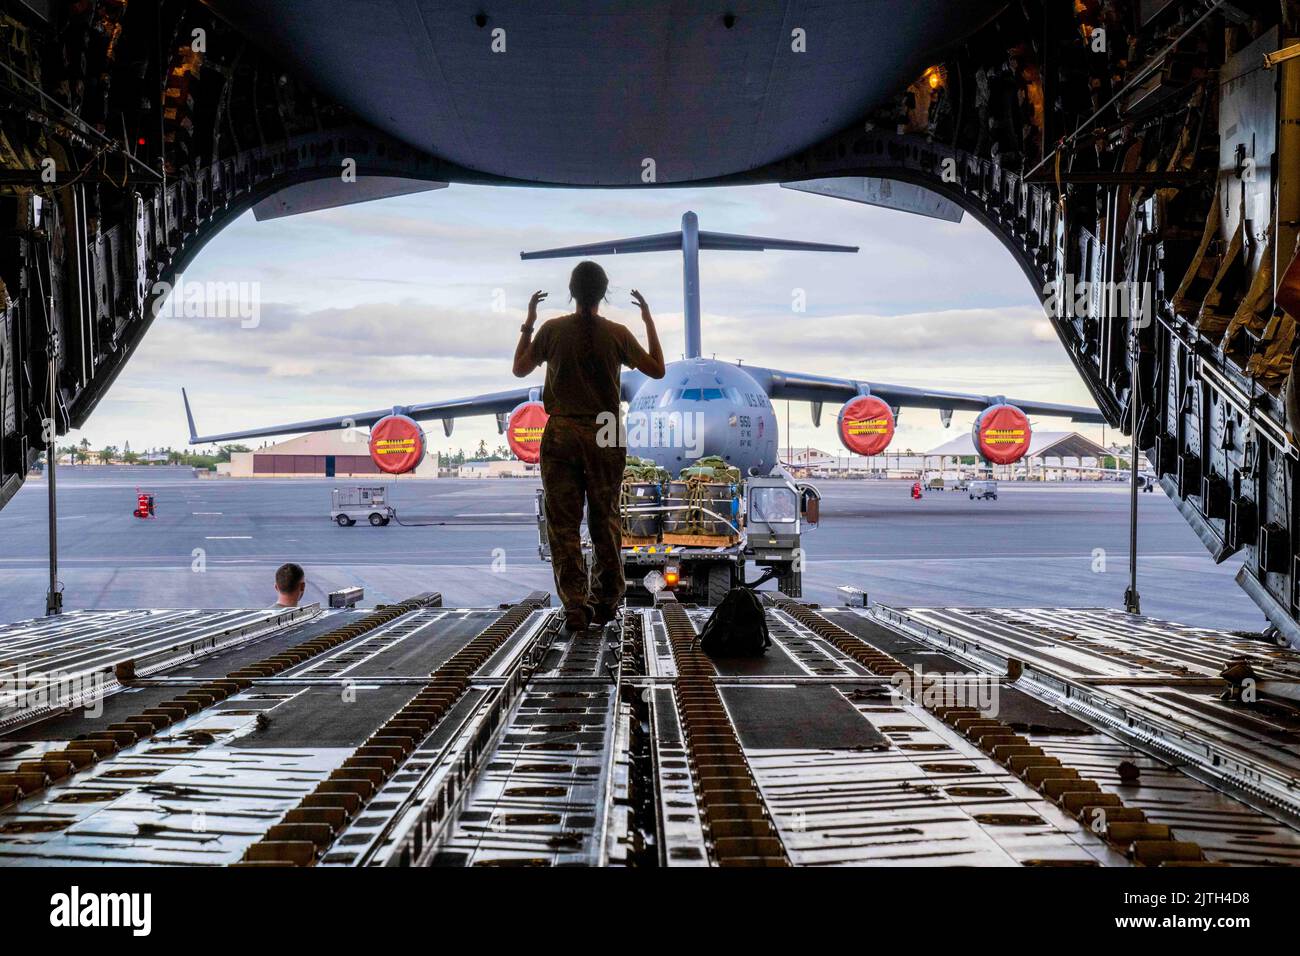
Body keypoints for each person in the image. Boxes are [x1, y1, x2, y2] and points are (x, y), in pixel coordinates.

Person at [513, 261, 666, 633]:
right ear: (603, 293)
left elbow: (519, 368)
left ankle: (575, 607)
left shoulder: (552, 330)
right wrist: (648, 321)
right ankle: (606, 602)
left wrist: (529, 322)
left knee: (563, 525)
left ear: (571, 290)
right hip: (606, 428)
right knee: (606, 518)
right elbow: (658, 369)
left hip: (563, 427)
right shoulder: (617, 333)